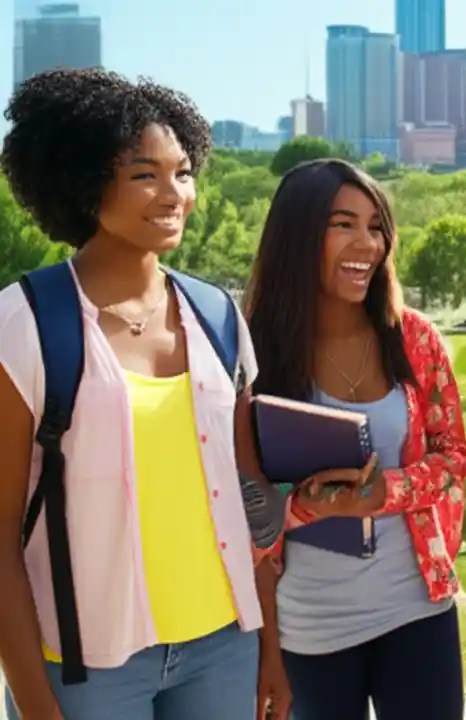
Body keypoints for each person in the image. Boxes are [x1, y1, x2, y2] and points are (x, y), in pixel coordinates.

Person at [0, 69, 266, 719]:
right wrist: (33, 699)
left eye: (183, 172)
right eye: (144, 173)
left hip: (223, 648)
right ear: (85, 181)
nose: (173, 192)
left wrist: (272, 652)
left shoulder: (218, 315)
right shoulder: (24, 323)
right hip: (87, 669)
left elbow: (251, 502)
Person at [247, 159, 466, 720]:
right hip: (310, 628)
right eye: (343, 224)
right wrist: (303, 508)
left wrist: (383, 493)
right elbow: (241, 506)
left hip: (417, 609)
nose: (366, 243)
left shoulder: (414, 338)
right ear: (298, 236)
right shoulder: (252, 356)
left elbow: (453, 458)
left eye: (376, 226)